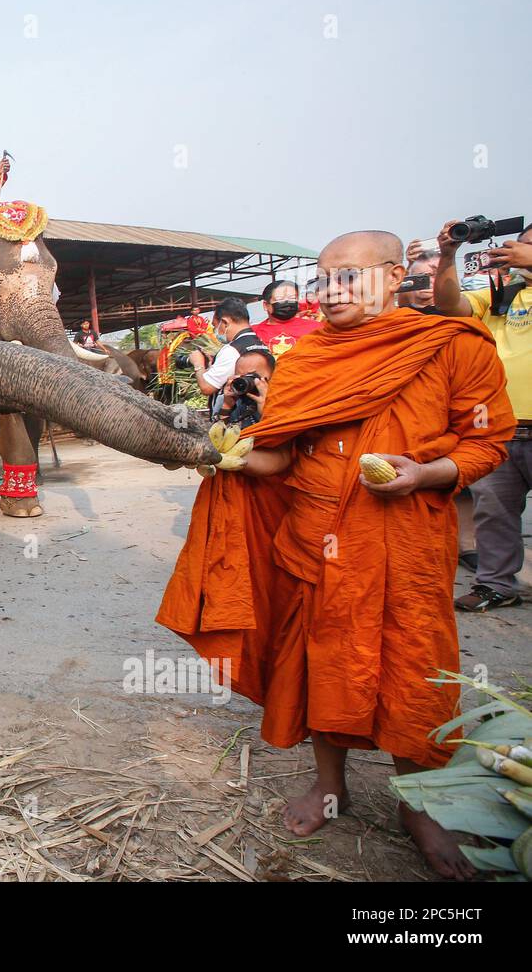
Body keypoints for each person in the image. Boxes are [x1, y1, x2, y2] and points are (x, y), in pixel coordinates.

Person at [158, 230, 515, 880]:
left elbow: (486, 441)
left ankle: (421, 807)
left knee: (414, 674)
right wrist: (221, 453)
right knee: (320, 664)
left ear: (394, 274)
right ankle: (331, 787)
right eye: (324, 278)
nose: (332, 291)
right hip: (313, 540)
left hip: (405, 544)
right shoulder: (308, 359)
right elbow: (279, 452)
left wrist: (428, 472)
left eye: (350, 276)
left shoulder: (448, 346)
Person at [431, 221, 532, 612]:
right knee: (494, 513)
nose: (518, 251)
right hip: (502, 428)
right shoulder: (500, 294)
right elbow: (448, 304)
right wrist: (447, 256)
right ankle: (496, 585)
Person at [186, 297, 268, 412]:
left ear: (224, 322)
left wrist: (198, 364)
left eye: (215, 326)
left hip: (239, 418)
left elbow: (206, 387)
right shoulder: (260, 344)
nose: (215, 331)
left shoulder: (232, 350)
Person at [251, 280, 322, 355]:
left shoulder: (317, 328)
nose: (287, 302)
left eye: (292, 298)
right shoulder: (253, 333)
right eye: (280, 299)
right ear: (265, 305)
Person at [217, 348, 274, 429]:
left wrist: (266, 410)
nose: (245, 382)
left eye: (252, 376)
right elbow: (219, 438)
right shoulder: (235, 400)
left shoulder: (287, 400)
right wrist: (226, 407)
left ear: (273, 375)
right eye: (241, 377)